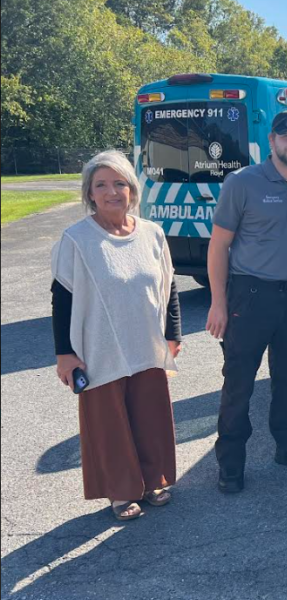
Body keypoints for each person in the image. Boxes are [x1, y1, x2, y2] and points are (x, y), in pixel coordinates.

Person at [51, 150, 181, 521]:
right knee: (109, 423)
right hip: (98, 346)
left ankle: (154, 479)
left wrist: (173, 334)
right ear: (89, 193)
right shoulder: (77, 239)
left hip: (146, 342)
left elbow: (168, 285)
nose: (112, 192)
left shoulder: (152, 234)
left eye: (120, 183)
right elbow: (62, 297)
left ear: (132, 190)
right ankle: (122, 492)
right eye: (101, 185)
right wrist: (65, 353)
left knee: (151, 414)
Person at [206, 110, 287, 493]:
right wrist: (218, 303)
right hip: (250, 297)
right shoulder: (242, 183)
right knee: (239, 384)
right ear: (272, 140)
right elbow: (219, 245)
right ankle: (231, 465)